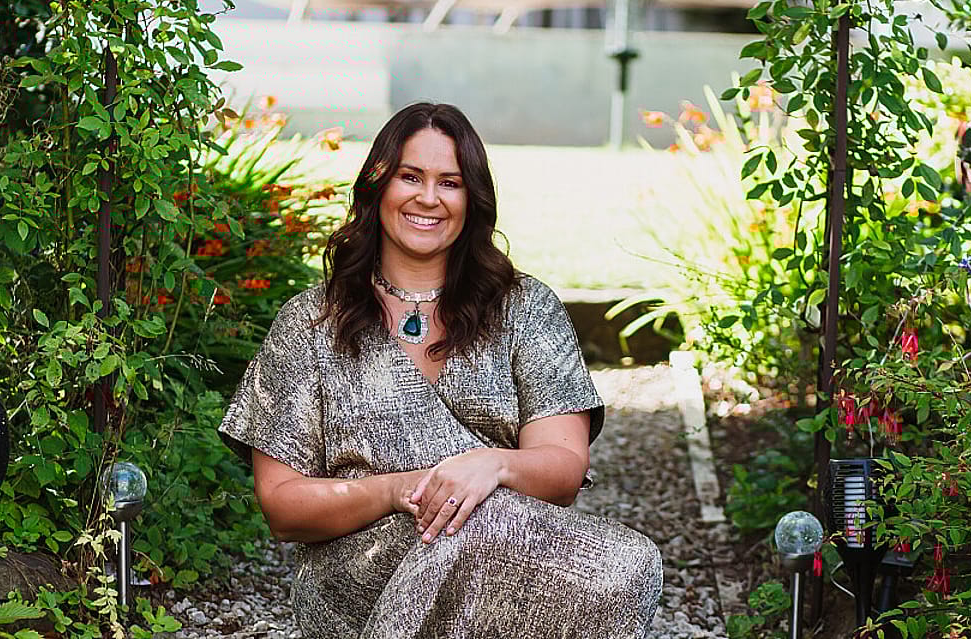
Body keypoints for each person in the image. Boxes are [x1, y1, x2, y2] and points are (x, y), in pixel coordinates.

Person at [219, 102, 662, 638]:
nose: (428, 198)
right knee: (469, 519)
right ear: (377, 186)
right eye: (410, 176)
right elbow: (283, 507)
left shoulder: (525, 309)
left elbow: (564, 470)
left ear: (471, 200)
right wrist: (399, 490)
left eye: (449, 183)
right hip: (360, 577)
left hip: (508, 558)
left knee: (626, 566)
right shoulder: (310, 323)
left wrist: (490, 467)